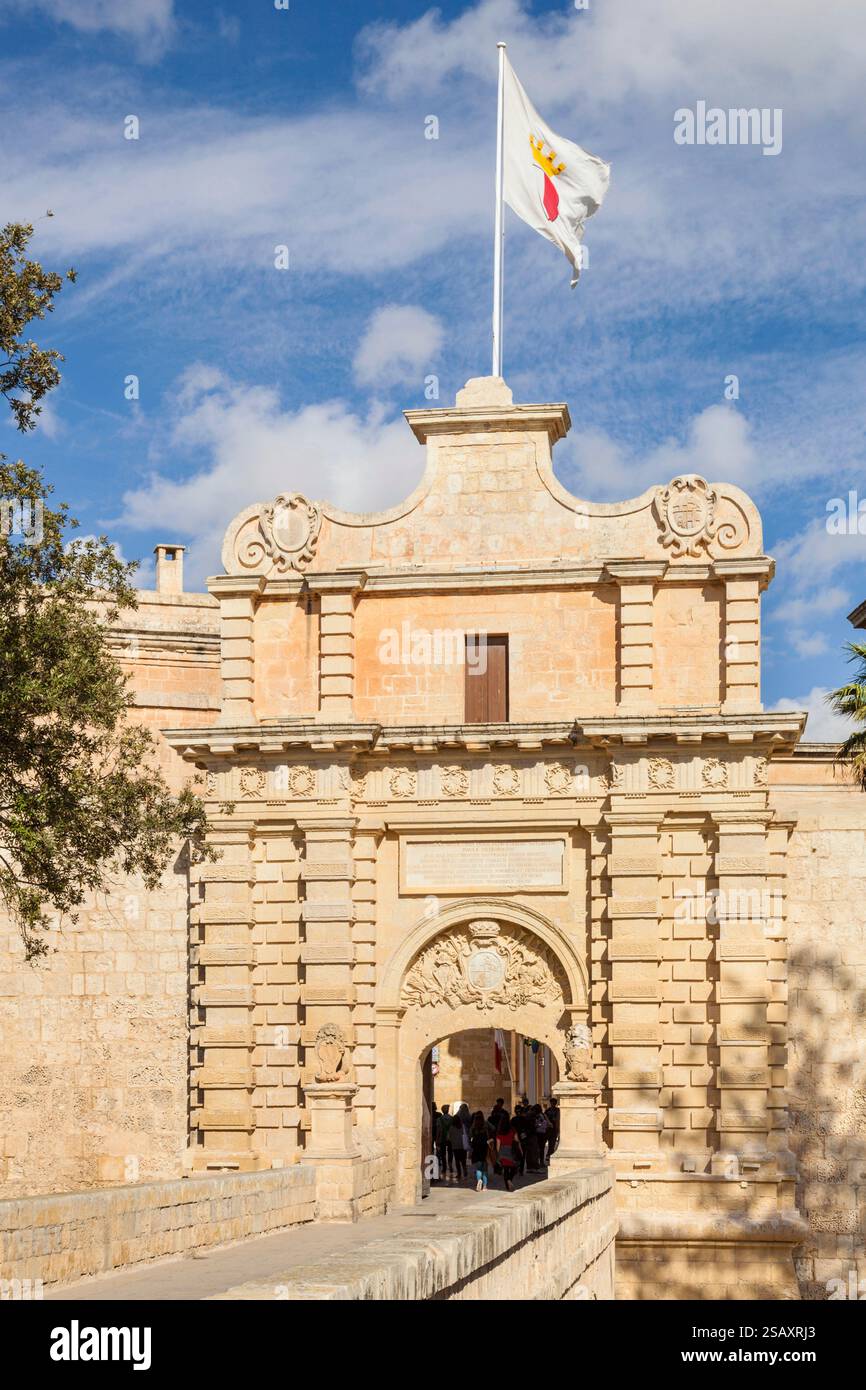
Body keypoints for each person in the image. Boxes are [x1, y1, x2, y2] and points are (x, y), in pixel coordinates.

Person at [496, 1112, 523, 1192]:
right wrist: (520, 1150)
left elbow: (498, 1145)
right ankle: (509, 1180)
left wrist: (498, 1155)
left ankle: (507, 1183)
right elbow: (517, 1140)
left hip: (502, 1151)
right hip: (511, 1150)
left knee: (506, 1169)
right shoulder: (512, 1129)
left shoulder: (499, 1131)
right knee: (513, 1168)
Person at [470, 1110, 493, 1192]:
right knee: (485, 1169)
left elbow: (470, 1137)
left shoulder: (473, 1127)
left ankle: (479, 1180)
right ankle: (485, 1186)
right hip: (485, 1148)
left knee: (478, 1168)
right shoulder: (486, 1124)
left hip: (476, 1149)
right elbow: (494, 1129)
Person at [449, 1103, 470, 1182]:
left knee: (457, 1160)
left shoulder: (451, 1128)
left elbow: (449, 1137)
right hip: (462, 1145)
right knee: (463, 1160)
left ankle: (459, 1173)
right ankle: (465, 1172)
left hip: (455, 1146)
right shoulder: (463, 1127)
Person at [436, 1103, 452, 1180]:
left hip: (442, 1138)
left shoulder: (439, 1120)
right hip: (450, 1139)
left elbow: (438, 1130)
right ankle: (451, 1166)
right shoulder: (452, 1118)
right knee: (450, 1153)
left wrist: (437, 1139)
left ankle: (444, 1167)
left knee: (443, 1154)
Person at [532, 1103, 550, 1168]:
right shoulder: (543, 1115)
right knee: (541, 1149)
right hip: (543, 1133)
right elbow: (548, 1123)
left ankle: (538, 1162)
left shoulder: (535, 1116)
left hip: (537, 1134)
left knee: (537, 1149)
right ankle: (541, 1162)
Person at [544, 1097, 560, 1164]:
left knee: (552, 1144)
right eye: (552, 1102)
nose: (553, 1104)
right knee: (550, 1143)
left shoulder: (557, 1110)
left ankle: (549, 1155)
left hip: (554, 1129)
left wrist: (558, 1129)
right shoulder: (548, 1111)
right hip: (548, 1129)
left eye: (554, 1103)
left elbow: (558, 1120)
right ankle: (549, 1155)